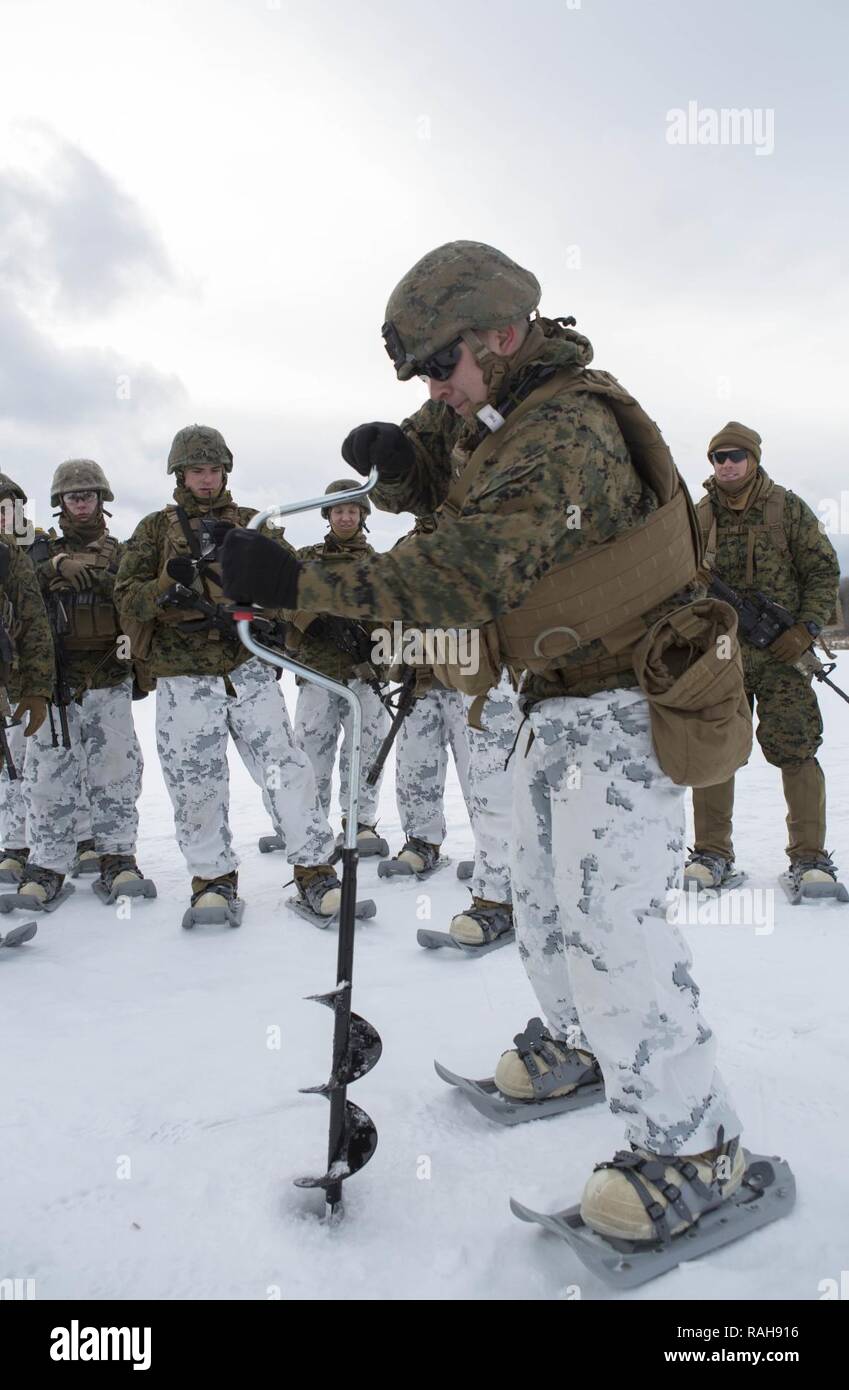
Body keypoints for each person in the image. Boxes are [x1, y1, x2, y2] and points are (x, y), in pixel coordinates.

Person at [221, 240, 752, 1244]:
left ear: (500, 337)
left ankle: (698, 1145)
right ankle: (585, 1042)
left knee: (611, 925)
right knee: (542, 902)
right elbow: (447, 467)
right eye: (419, 374)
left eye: (439, 368)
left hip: (626, 701)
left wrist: (304, 583)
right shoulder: (493, 405)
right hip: (551, 697)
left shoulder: (573, 437)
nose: (434, 389)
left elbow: (458, 576)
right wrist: (404, 456)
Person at [114, 425, 342, 923]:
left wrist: (275, 623)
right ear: (180, 472)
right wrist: (163, 588)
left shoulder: (251, 523)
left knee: (285, 769)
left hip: (248, 667)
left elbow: (289, 582)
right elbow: (124, 595)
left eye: (214, 469)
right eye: (197, 469)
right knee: (195, 782)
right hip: (183, 675)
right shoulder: (154, 529)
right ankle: (212, 879)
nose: (206, 478)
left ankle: (315, 870)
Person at [686, 423, 841, 892]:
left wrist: (807, 628)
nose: (727, 464)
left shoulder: (786, 508)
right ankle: (712, 855)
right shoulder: (699, 517)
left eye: (736, 455)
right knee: (715, 752)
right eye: (718, 457)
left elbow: (822, 569)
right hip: (720, 655)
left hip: (782, 656)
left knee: (797, 749)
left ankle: (810, 859)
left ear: (752, 458)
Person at [14, 460, 149, 907]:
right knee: (49, 776)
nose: (81, 502)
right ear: (59, 503)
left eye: (89, 495)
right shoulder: (36, 551)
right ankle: (49, 862)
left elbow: (137, 594)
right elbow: (16, 592)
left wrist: (93, 577)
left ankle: (117, 858)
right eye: (73, 496)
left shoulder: (124, 550)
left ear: (102, 500)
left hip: (108, 680)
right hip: (57, 683)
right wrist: (51, 565)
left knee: (116, 772)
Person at [285, 479, 389, 853]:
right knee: (312, 750)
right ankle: (311, 825)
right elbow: (278, 595)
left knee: (366, 748)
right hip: (317, 672)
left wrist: (376, 641)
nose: (346, 517)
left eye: (353, 510)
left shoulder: (379, 564)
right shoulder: (306, 558)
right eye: (339, 510)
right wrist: (308, 620)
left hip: (366, 674)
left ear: (363, 516)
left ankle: (360, 824)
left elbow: (394, 613)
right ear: (327, 514)